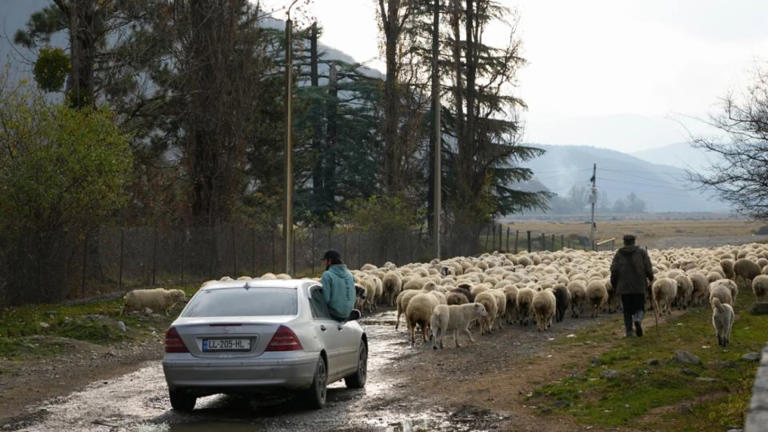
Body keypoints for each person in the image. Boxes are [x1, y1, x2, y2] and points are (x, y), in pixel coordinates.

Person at [610, 234, 654, 337]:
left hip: (624, 287)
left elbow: (614, 270)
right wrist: (651, 278)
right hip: (639, 286)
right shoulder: (642, 253)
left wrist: (614, 284)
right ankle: (638, 319)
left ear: (624, 242)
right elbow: (648, 267)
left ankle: (629, 332)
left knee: (627, 310)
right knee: (640, 307)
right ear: (634, 241)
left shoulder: (619, 254)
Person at [320, 250, 357, 321]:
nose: (324, 263)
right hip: (347, 314)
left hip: (334, 314)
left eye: (324, 260)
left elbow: (326, 299)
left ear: (329, 261)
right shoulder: (350, 275)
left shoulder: (327, 275)